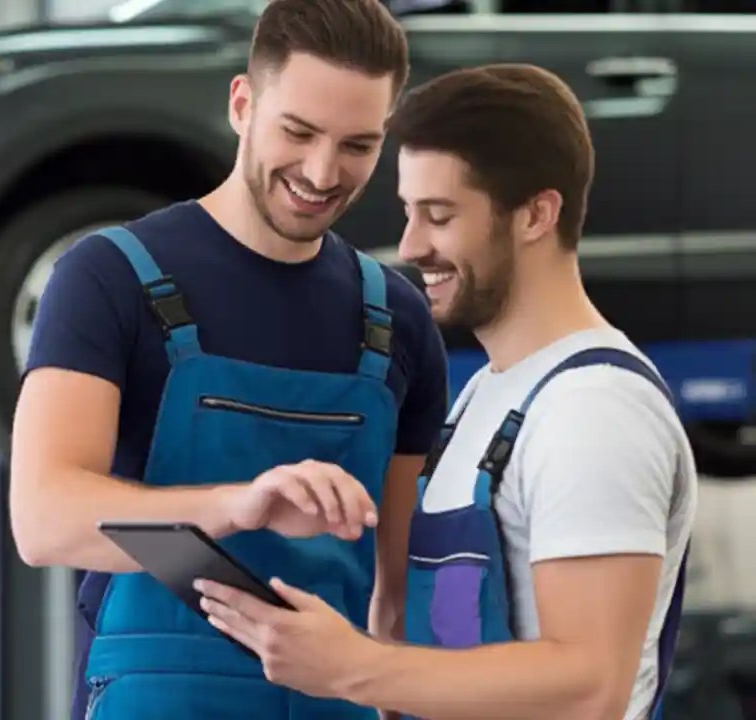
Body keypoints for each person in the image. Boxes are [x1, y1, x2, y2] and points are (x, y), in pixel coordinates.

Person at [196, 63, 698, 720]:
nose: (410, 245)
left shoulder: (593, 412)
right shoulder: (485, 399)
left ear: (536, 215)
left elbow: (587, 686)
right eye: (410, 213)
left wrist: (355, 666)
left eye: (439, 216)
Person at [8, 1, 451, 718]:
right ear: (243, 103)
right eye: (299, 132)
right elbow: (44, 520)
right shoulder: (108, 279)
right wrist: (238, 507)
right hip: (161, 694)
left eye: (356, 146)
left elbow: (396, 597)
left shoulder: (399, 323)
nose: (321, 171)